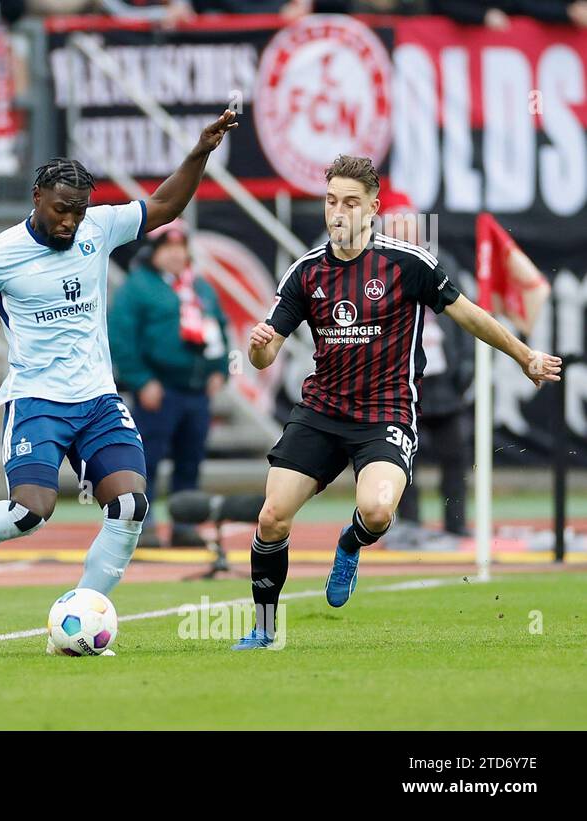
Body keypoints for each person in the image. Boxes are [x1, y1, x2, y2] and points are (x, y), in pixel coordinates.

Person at [0, 110, 239, 656]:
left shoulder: (99, 227)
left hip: (96, 400)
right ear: (36, 199)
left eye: (77, 211)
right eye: (60, 210)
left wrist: (200, 152)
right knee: (30, 511)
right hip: (35, 402)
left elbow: (165, 205)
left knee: (130, 507)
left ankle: (77, 623)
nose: (70, 222)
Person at [235, 154, 561, 650]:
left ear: (372, 208)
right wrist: (259, 347)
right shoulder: (305, 272)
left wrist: (524, 356)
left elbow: (471, 316)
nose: (338, 213)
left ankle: (351, 543)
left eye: (350, 202)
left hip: (386, 413)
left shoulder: (408, 264)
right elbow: (264, 355)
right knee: (271, 517)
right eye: (330, 202)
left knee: (379, 510)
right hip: (322, 412)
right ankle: (262, 627)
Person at [109, 219, 230, 547]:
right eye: (168, 248)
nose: (176, 255)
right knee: (147, 459)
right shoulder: (138, 286)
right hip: (158, 389)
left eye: (181, 248)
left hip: (196, 391)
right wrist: (141, 380)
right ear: (154, 252)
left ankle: (184, 524)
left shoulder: (199, 287)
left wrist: (219, 369)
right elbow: (120, 337)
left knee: (190, 459)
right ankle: (142, 526)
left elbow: (218, 326)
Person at [376, 186, 473, 546]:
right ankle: (410, 523)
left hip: (442, 380)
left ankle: (456, 522)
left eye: (411, 223)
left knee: (455, 455)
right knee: (403, 458)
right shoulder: (380, 268)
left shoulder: (440, 261)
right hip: (404, 379)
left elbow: (466, 317)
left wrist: (466, 364)